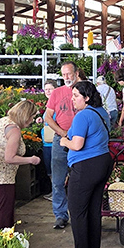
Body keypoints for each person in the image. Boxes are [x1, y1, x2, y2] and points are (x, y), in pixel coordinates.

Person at [58, 80, 112, 248]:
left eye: (76, 96)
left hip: (85, 167)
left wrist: (64, 141)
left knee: (78, 210)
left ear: (87, 97)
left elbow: (77, 145)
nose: (72, 99)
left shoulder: (83, 116)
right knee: (93, 210)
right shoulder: (101, 112)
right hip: (102, 162)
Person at [0, 100, 40, 232]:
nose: (32, 121)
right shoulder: (14, 130)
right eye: (32, 117)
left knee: (5, 208)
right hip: (3, 175)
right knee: (4, 211)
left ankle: (5, 238)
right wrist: (31, 160)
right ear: (26, 115)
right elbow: (10, 158)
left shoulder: (2, 122)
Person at [44, 62, 78, 229]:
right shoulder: (57, 93)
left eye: (69, 73)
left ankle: (79, 213)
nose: (66, 77)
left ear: (76, 73)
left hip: (81, 140)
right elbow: (48, 117)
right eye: (63, 74)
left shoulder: (84, 90)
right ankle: (60, 215)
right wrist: (61, 132)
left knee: (80, 180)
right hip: (60, 140)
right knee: (58, 180)